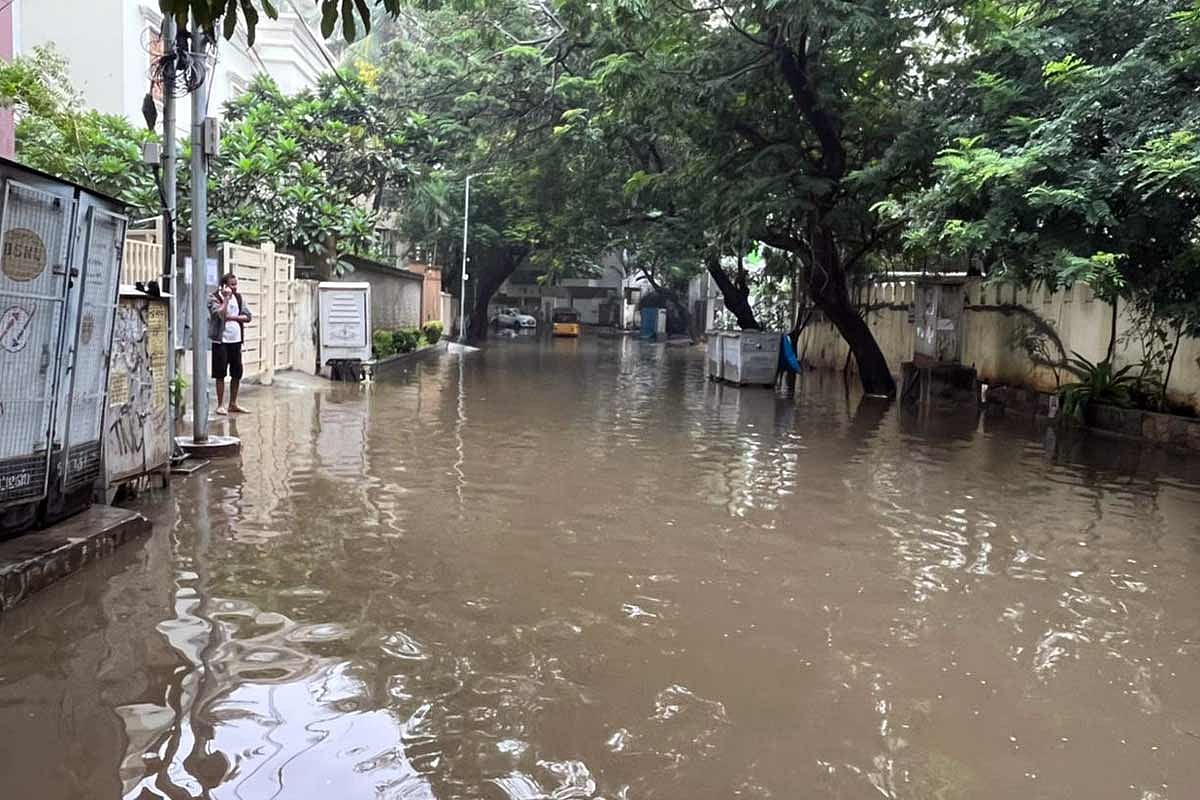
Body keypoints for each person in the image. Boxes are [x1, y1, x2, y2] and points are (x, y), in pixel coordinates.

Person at [207, 272, 252, 415]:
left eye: (236, 284)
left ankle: (233, 403)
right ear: (224, 285)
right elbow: (219, 314)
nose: (235, 287)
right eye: (232, 285)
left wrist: (233, 317)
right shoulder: (213, 297)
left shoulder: (239, 298)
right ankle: (220, 405)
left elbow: (248, 316)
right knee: (220, 373)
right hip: (221, 341)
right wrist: (226, 299)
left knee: (237, 372)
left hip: (236, 340)